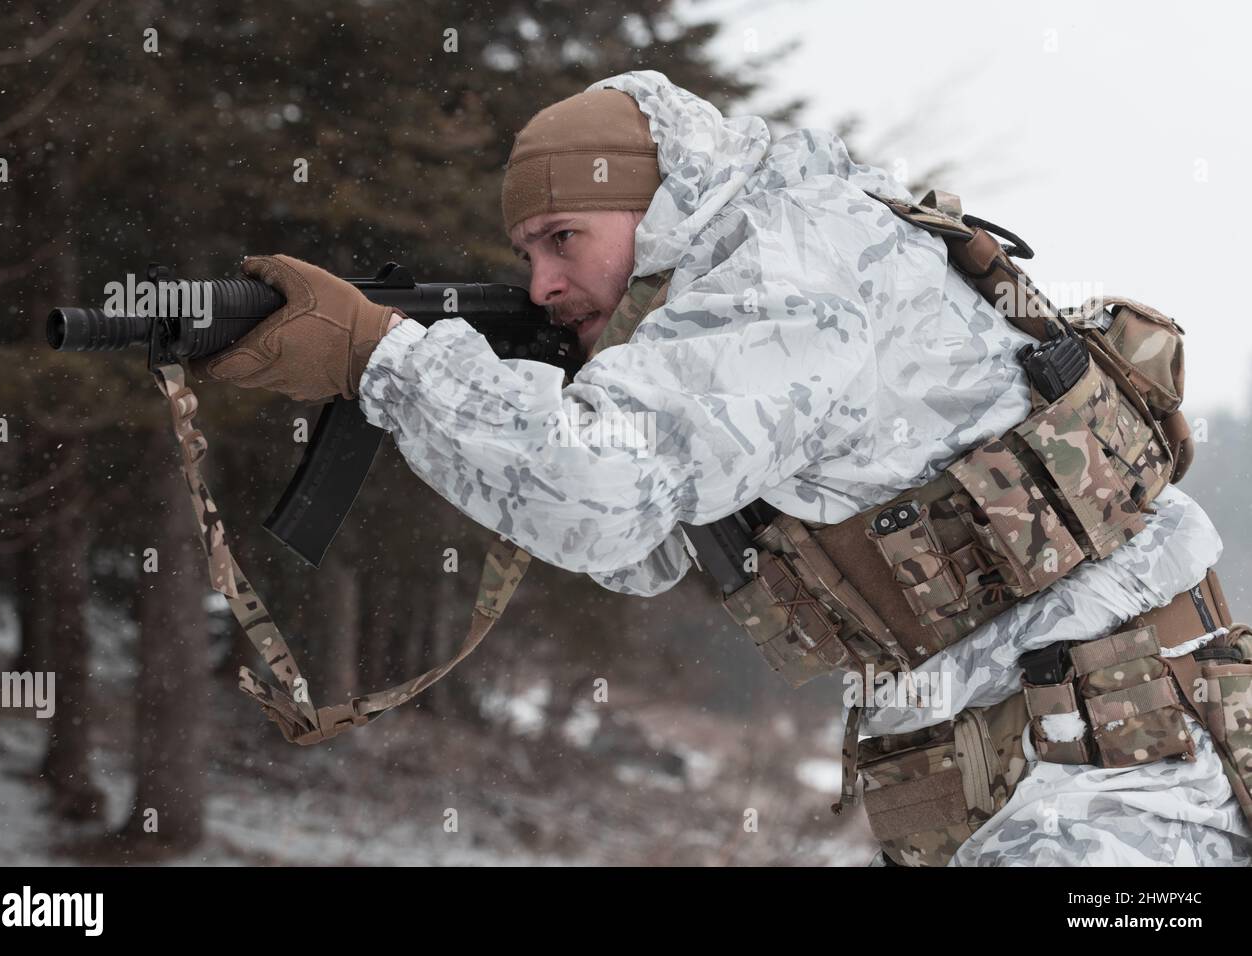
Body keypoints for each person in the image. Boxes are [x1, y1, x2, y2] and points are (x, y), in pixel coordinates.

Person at [190, 70, 1252, 866]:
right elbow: (648, 550)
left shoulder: (793, 265)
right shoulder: (751, 272)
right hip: (1059, 761)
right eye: (527, 254)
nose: (546, 279)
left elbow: (602, 496)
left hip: (1116, 778)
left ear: (652, 207)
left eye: (566, 236)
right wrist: (485, 394)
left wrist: (387, 360)